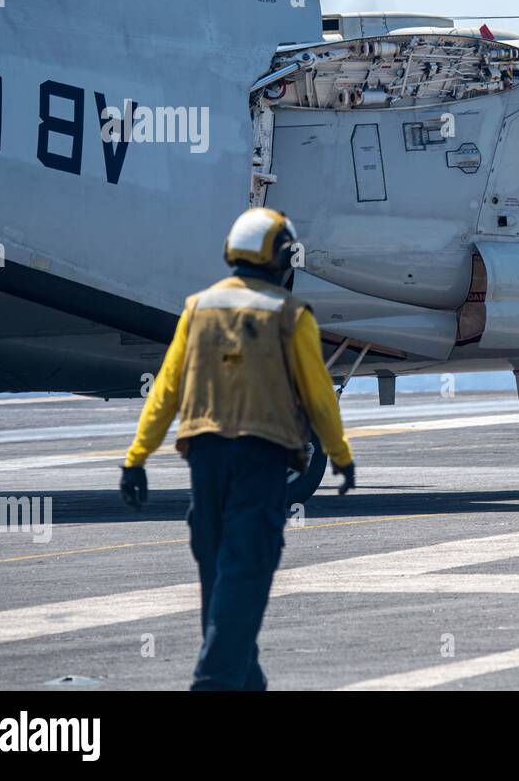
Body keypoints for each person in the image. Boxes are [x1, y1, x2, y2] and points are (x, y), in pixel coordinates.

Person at [120, 207, 355, 691]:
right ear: (282, 260)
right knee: (246, 569)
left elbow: (166, 388)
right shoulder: (291, 315)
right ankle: (214, 682)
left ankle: (246, 678)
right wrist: (341, 454)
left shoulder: (198, 308)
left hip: (204, 459)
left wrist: (137, 458)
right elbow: (317, 394)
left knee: (217, 569)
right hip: (261, 457)